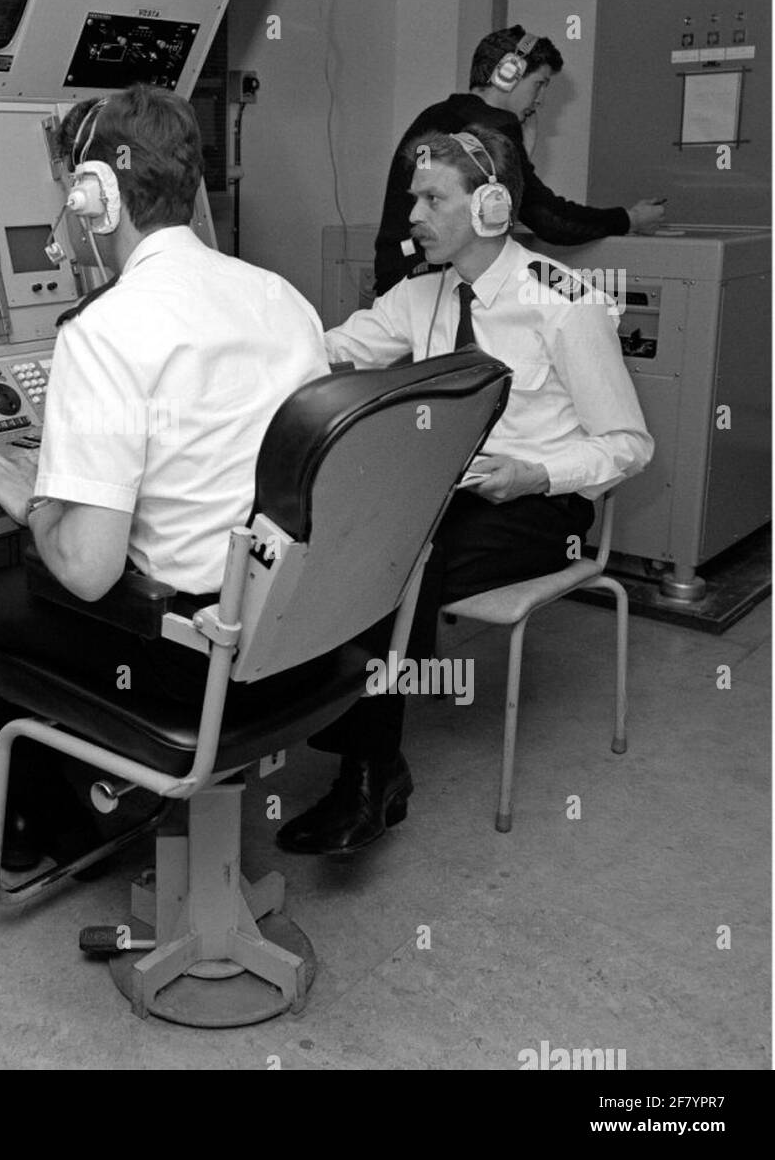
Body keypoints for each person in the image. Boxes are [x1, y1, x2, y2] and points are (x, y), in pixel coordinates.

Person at [0, 83, 338, 870]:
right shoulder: (281, 298)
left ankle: (33, 826)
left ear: (97, 198)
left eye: (70, 196)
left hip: (191, 661)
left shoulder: (107, 329)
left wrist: (35, 504)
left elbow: (89, 573)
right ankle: (102, 785)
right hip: (302, 640)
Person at [277, 124, 654, 858]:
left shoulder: (563, 303)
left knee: (409, 555)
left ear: (489, 205)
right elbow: (331, 347)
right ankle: (346, 709)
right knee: (349, 527)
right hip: (447, 494)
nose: (411, 215)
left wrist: (534, 475)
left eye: (430, 198)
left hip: (541, 505)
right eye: (413, 197)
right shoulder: (419, 295)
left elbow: (629, 445)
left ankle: (370, 771)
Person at [373, 25, 667, 296]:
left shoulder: (436, 115)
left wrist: (518, 155)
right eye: (540, 83)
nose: (540, 100)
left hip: (398, 278)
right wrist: (630, 219)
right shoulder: (494, 125)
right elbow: (551, 220)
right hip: (435, 289)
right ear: (508, 73)